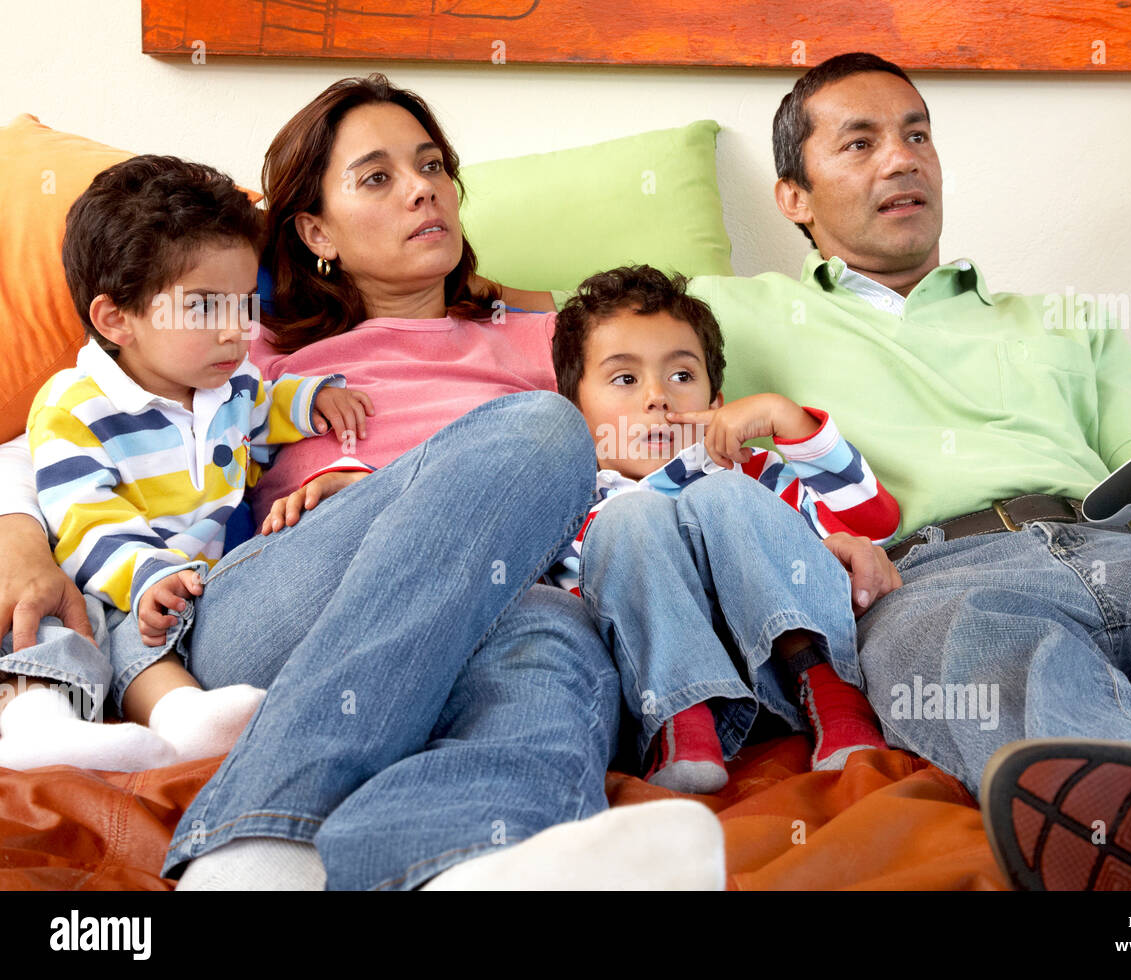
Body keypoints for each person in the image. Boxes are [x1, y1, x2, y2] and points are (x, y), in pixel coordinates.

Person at [533, 53, 1131, 889]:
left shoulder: (1064, 321)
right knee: (971, 649)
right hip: (926, 576)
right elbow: (581, 351)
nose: (901, 159)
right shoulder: (723, 312)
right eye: (859, 143)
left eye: (916, 136)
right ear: (792, 198)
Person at [0, 74, 726, 890]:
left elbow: (673, 426)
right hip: (283, 604)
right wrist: (19, 539)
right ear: (316, 229)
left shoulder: (556, 339)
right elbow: (69, 434)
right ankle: (254, 837)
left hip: (505, 603)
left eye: (433, 166)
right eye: (378, 177)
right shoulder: (246, 342)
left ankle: (460, 863)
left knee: (553, 632)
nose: (423, 189)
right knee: (541, 430)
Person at [13, 155, 372, 771]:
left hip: (179, 594)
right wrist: (145, 575)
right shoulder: (76, 405)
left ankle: (182, 720)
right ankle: (35, 719)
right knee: (64, 624)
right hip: (99, 574)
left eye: (242, 304)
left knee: (147, 642)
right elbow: (83, 516)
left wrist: (315, 398)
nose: (237, 332)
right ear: (116, 319)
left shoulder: (230, 389)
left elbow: (267, 409)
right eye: (205, 308)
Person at [549, 265, 899, 793]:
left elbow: (872, 522)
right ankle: (683, 721)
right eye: (625, 379)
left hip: (786, 682)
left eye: (682, 376)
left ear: (716, 404)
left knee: (723, 491)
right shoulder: (572, 507)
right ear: (576, 412)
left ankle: (831, 690)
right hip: (657, 690)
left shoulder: (747, 468)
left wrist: (783, 416)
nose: (658, 398)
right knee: (629, 519)